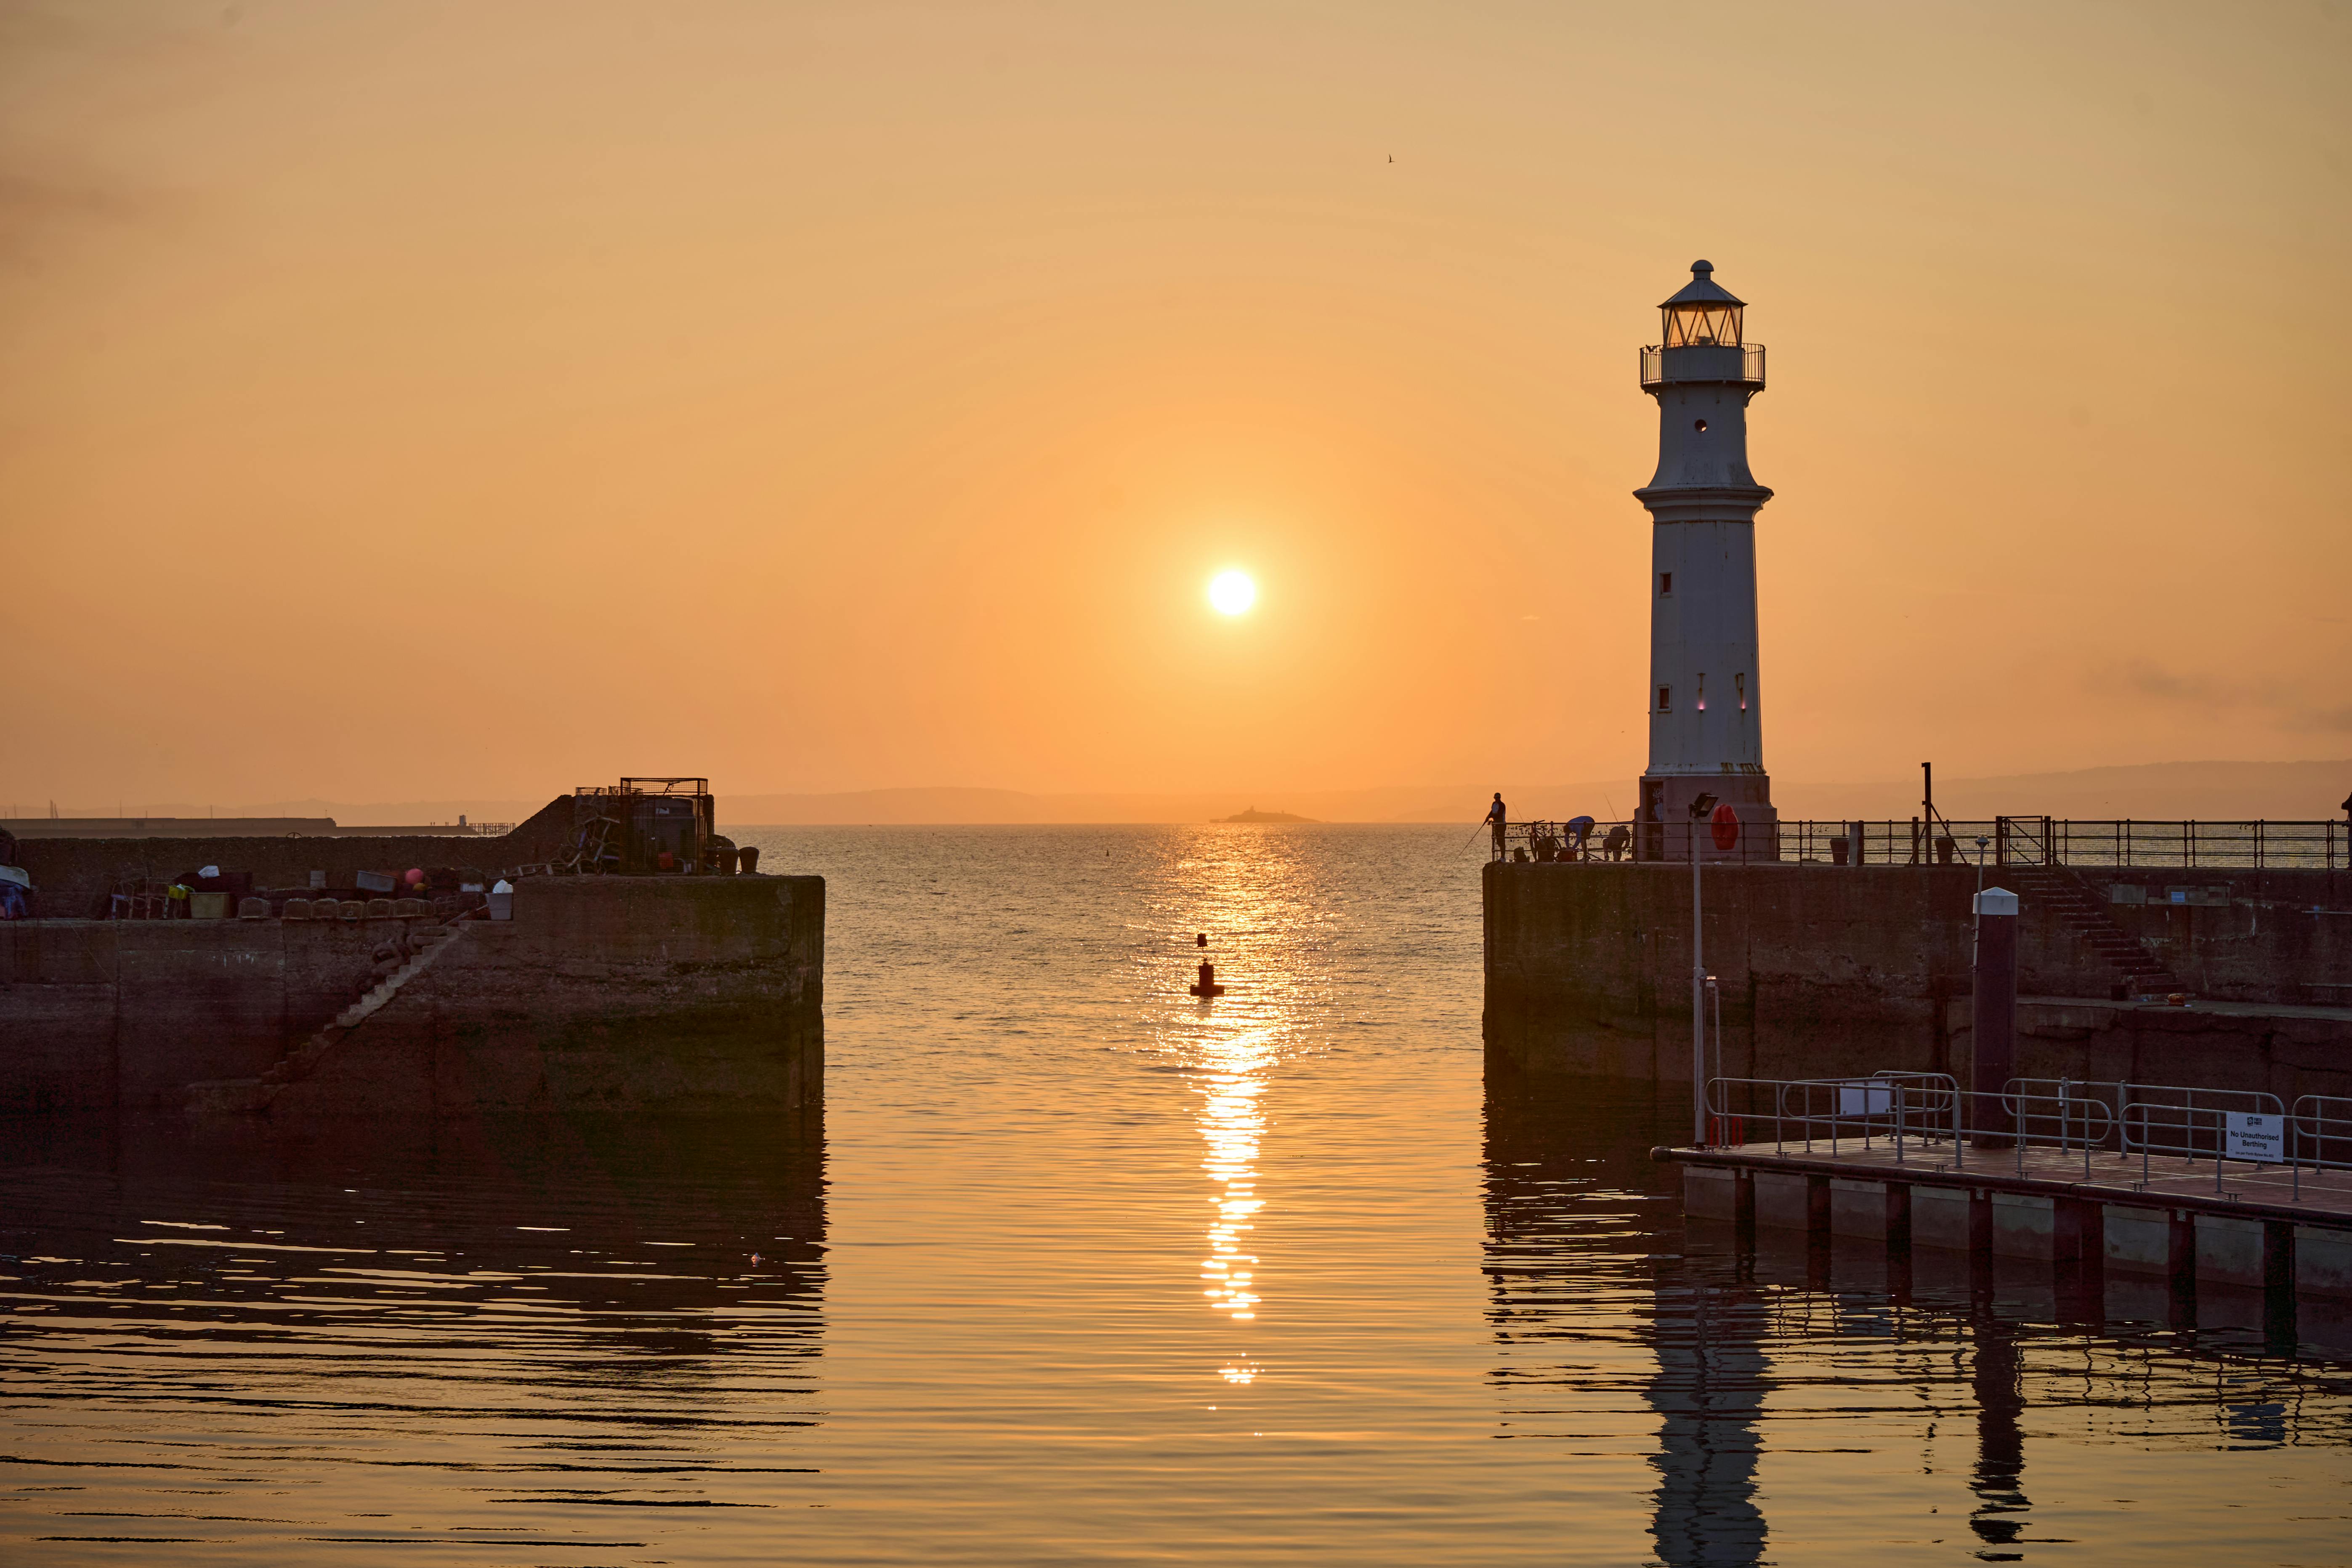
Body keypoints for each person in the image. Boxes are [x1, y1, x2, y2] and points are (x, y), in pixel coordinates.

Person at [1486, 792, 1507, 861]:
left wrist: (1491, 818)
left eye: (1498, 798)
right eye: (1496, 798)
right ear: (1494, 798)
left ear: (1500, 798)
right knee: (1498, 841)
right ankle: (1501, 857)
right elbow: (1492, 812)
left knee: (1502, 841)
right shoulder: (1494, 804)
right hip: (1496, 826)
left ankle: (1503, 857)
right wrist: (1488, 817)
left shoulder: (1502, 805)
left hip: (1501, 825)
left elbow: (1499, 815)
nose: (1497, 799)